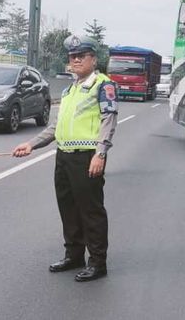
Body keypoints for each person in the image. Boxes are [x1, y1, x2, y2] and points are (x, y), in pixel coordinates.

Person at [12, 34, 118, 282]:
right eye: (72, 57)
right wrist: (31, 144)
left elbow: (108, 120)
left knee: (90, 211)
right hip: (64, 156)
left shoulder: (103, 85)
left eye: (81, 56)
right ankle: (74, 255)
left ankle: (97, 262)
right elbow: (56, 127)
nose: (76, 60)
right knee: (68, 208)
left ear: (93, 58)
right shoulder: (71, 89)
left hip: (87, 157)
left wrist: (100, 154)